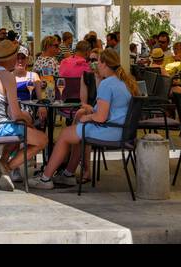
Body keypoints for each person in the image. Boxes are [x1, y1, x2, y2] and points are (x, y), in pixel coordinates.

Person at [39, 48, 140, 188]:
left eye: (98, 61)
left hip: (111, 131)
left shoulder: (108, 83)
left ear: (104, 63)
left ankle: (45, 179)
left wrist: (88, 118)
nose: (96, 64)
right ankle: (68, 174)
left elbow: (101, 117)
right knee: (76, 135)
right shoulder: (124, 82)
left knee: (65, 134)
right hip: (123, 132)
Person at [0, 37, 47, 189]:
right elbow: (15, 115)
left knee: (19, 126)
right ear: (12, 58)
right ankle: (7, 168)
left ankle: (2, 163)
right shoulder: (7, 76)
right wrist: (29, 122)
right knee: (42, 140)